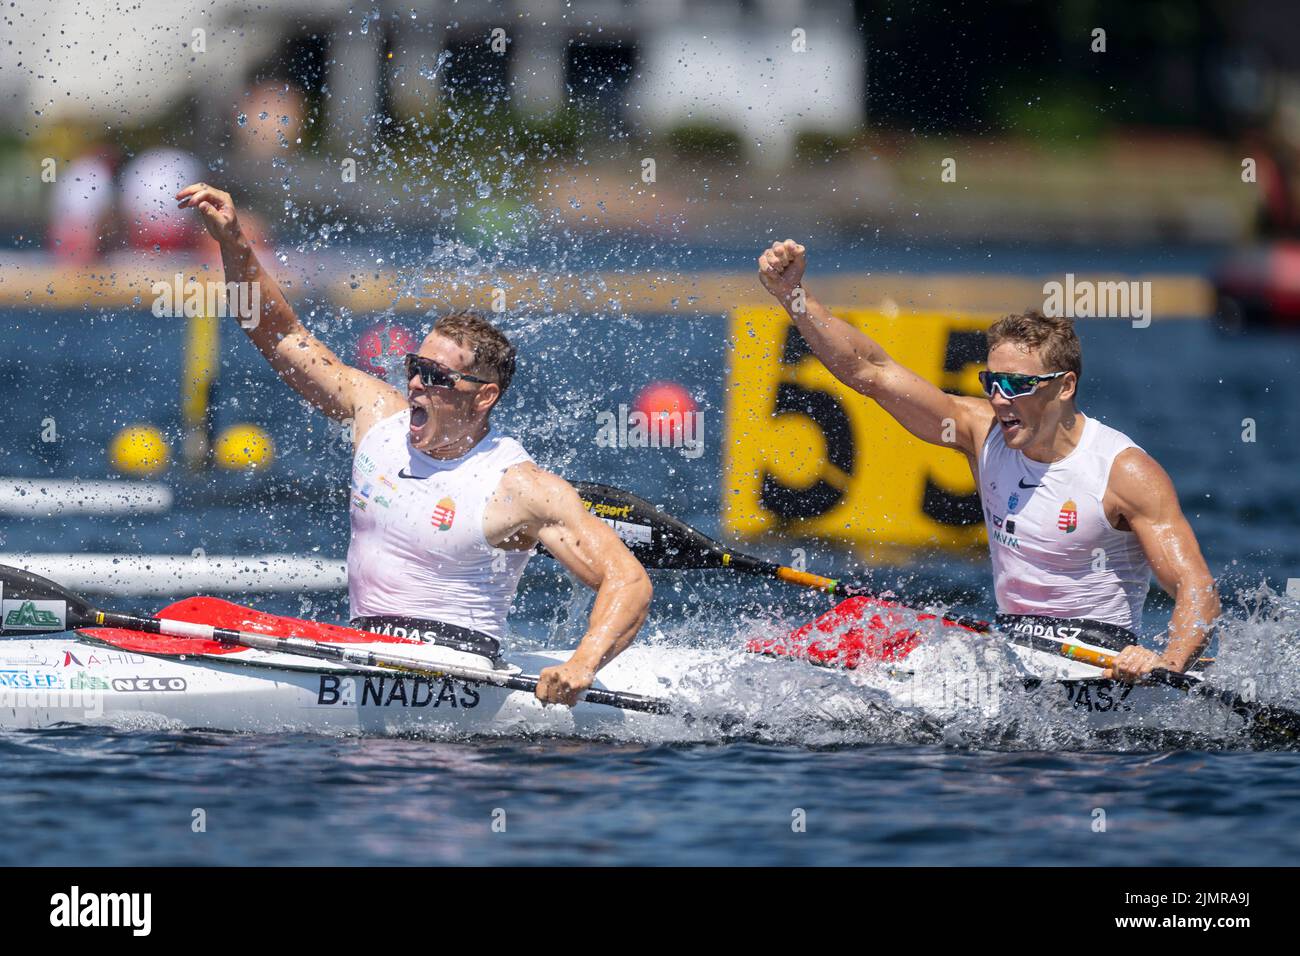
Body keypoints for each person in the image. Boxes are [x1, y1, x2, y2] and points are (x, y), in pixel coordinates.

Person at [177, 182, 652, 705]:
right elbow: (279, 334)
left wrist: (581, 666)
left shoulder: (521, 489)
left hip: (460, 675)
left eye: (438, 376)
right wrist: (233, 241)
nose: (418, 384)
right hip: (359, 650)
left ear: (484, 396)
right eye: (415, 368)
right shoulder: (376, 417)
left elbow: (627, 582)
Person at [757, 239, 1219, 682]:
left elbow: (1196, 589)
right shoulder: (980, 432)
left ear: (1064, 386)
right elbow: (871, 372)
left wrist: (1166, 664)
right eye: (991, 382)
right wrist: (793, 295)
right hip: (1009, 643)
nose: (999, 399)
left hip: (1097, 658)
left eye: (1016, 385)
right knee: (862, 629)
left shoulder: (1124, 471)